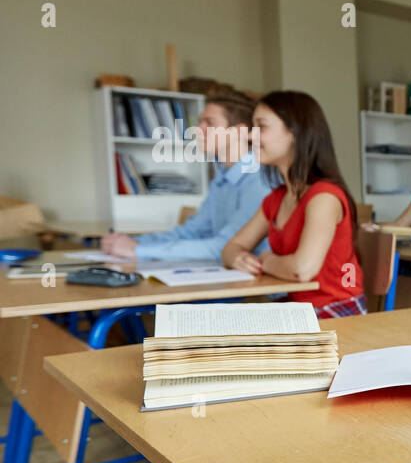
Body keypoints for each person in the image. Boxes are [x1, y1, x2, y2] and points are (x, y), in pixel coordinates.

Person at [222, 90, 366, 318]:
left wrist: (266, 260)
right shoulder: (276, 198)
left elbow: (302, 270)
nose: (251, 136)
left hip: (335, 311)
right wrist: (237, 258)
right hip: (295, 307)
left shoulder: (324, 197)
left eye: (262, 127)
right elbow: (231, 248)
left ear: (295, 133)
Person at [101, 86, 272, 261]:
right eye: (200, 122)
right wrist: (132, 242)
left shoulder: (259, 179)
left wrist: (138, 251)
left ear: (239, 131)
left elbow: (226, 247)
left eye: (210, 123)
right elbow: (191, 232)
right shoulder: (222, 178)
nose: (198, 129)